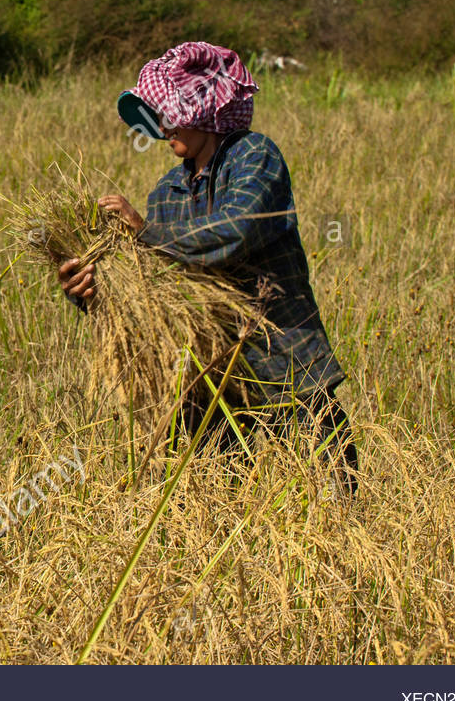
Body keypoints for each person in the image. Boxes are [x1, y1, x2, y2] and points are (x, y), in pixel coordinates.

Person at [59, 41, 356, 490]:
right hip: (208, 377)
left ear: (202, 111)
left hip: (284, 363)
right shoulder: (167, 192)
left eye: (168, 112)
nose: (160, 127)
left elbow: (235, 231)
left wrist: (144, 232)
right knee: (209, 503)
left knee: (328, 494)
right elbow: (154, 288)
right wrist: (90, 291)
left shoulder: (256, 158)